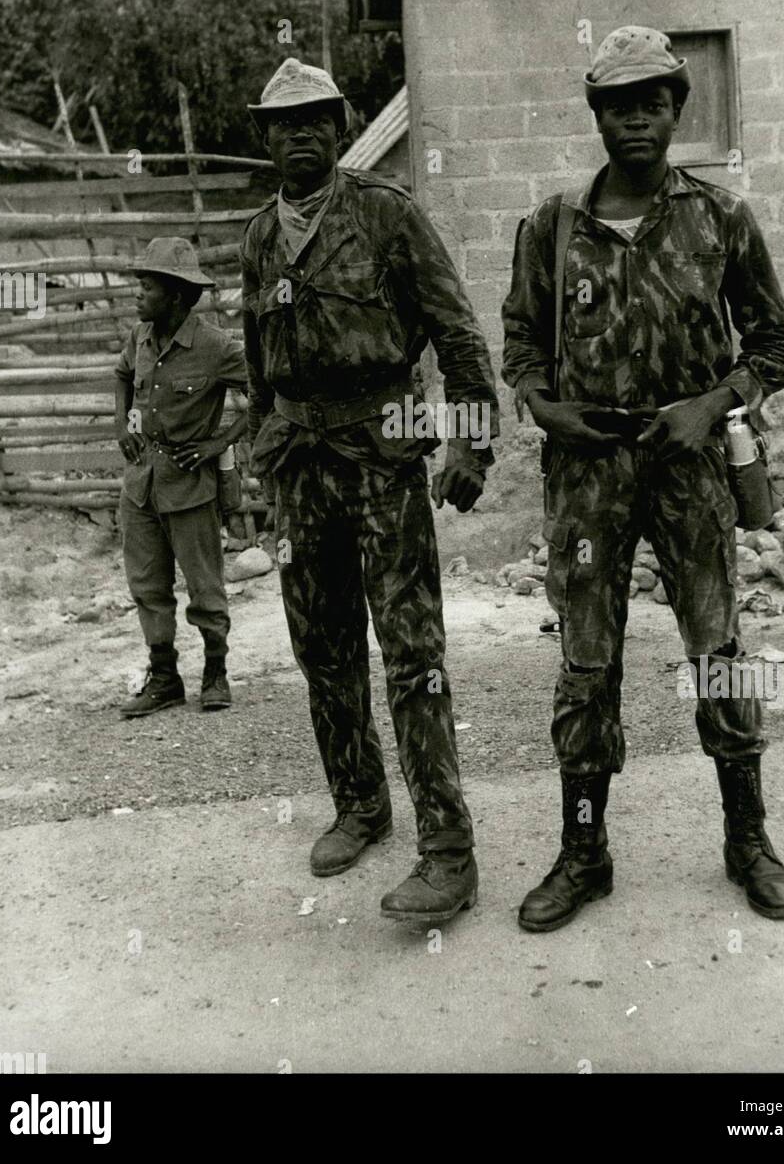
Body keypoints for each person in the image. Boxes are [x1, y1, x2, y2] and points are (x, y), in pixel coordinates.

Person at [502, 25, 784, 932]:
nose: (636, 120)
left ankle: (748, 842)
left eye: (652, 103)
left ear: (677, 110)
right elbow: (520, 341)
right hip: (589, 473)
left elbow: (775, 345)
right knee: (586, 666)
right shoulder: (552, 225)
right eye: (618, 105)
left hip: (689, 468)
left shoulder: (720, 219)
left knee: (716, 653)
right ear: (598, 116)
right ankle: (584, 853)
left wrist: (715, 405)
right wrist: (539, 405)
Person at [241, 57, 498, 923]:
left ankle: (448, 852)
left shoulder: (387, 215)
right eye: (285, 123)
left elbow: (457, 333)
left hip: (384, 459)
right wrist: (256, 455)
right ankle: (359, 805)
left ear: (341, 125)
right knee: (322, 645)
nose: (302, 133)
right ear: (266, 138)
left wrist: (473, 441)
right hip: (298, 468)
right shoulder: (256, 240)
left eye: (317, 118)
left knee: (413, 651)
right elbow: (255, 366)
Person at [115, 236, 248, 718]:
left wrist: (219, 443)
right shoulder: (139, 337)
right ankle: (165, 678)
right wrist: (122, 426)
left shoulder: (214, 346)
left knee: (204, 587)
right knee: (148, 586)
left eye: (146, 287)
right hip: (140, 484)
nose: (137, 296)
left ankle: (216, 671)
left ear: (174, 295)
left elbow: (269, 390)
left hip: (190, 487)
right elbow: (122, 376)